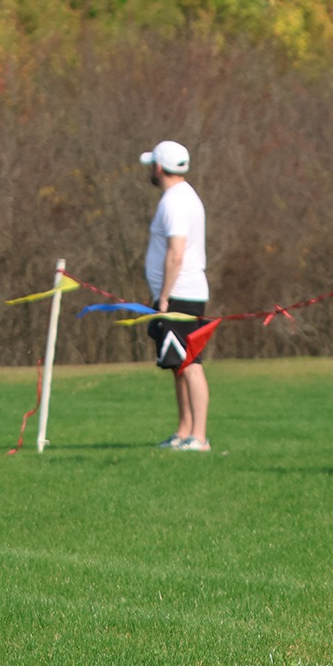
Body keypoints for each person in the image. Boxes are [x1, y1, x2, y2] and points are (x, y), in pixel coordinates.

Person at [140, 141, 210, 451]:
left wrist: (165, 297)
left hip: (180, 295)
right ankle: (183, 432)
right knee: (177, 364)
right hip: (178, 294)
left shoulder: (175, 202)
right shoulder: (180, 197)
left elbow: (176, 253)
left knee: (190, 363)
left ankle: (199, 436)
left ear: (158, 167)